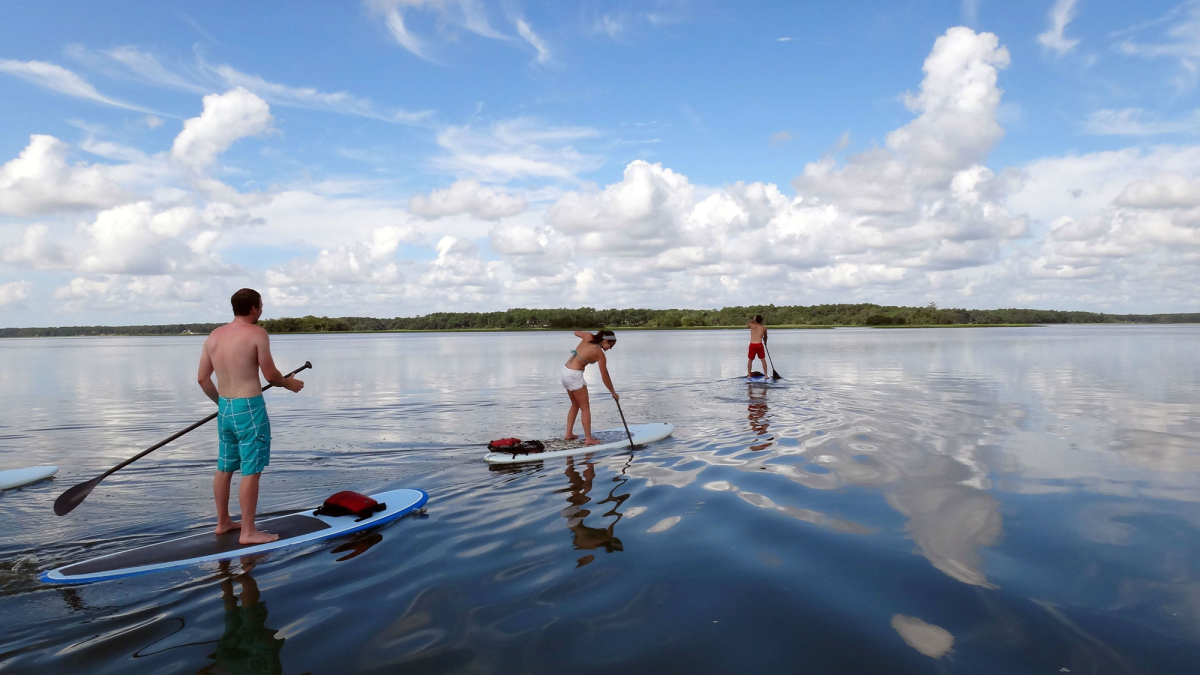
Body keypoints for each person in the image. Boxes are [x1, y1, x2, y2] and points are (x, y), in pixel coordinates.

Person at [198, 288, 304, 545]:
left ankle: (223, 522)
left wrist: (222, 405)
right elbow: (271, 375)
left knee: (225, 467)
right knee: (251, 470)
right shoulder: (257, 333)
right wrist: (288, 383)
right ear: (254, 308)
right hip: (250, 408)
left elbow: (202, 379)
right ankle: (248, 532)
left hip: (226, 408)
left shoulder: (214, 336)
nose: (262, 309)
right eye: (261, 305)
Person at [562, 330, 619, 445]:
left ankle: (568, 434)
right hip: (574, 375)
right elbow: (605, 377)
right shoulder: (600, 354)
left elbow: (576, 332)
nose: (610, 348)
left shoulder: (588, 336)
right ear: (605, 341)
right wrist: (613, 392)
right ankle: (588, 439)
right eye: (610, 345)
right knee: (585, 408)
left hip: (565, 371)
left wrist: (589, 336)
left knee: (575, 404)